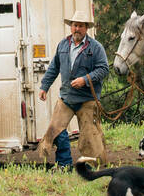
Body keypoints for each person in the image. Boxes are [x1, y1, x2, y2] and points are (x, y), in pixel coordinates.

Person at [37, 9, 109, 167]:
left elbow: (104, 69)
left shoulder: (96, 47)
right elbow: (54, 67)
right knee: (56, 131)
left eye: (81, 26)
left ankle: (93, 167)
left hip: (87, 100)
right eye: (75, 25)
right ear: (71, 27)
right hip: (66, 98)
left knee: (90, 137)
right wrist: (44, 87)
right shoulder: (63, 44)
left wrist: (85, 79)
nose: (77, 29)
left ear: (86, 28)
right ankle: (64, 165)